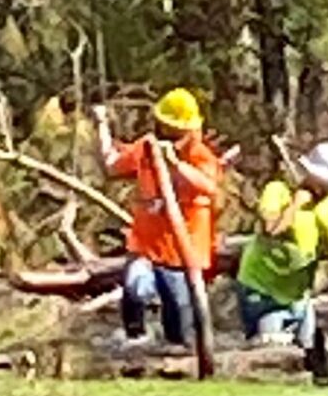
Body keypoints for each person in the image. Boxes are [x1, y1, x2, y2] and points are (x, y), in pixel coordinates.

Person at [92, 88, 227, 346]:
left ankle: (178, 354)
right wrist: (101, 126)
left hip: (182, 253)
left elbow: (209, 187)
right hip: (146, 246)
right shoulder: (146, 147)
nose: (167, 134)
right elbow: (112, 164)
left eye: (174, 130)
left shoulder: (200, 156)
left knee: (178, 315)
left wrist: (176, 164)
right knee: (134, 288)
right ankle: (134, 341)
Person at [232, 141, 328, 354]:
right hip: (262, 288)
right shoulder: (278, 191)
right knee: (271, 349)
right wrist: (295, 206)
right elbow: (271, 229)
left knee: (307, 347)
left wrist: (325, 225)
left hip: (298, 294)